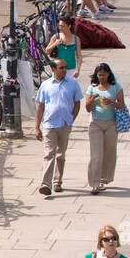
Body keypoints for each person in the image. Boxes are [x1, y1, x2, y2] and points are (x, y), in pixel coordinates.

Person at [36, 58, 83, 196]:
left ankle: (57, 181)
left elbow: (77, 104)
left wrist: (71, 120)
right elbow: (40, 106)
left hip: (64, 124)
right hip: (49, 124)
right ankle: (45, 184)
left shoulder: (73, 84)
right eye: (61, 67)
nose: (64, 70)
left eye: (65, 67)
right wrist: (37, 127)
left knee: (61, 154)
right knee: (49, 153)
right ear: (53, 69)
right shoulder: (45, 85)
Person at [84, 62, 124, 194]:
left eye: (104, 74)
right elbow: (87, 108)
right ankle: (94, 183)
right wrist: (92, 100)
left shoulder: (115, 87)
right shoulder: (91, 88)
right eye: (99, 75)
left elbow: (121, 105)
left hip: (111, 123)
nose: (101, 77)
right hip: (95, 123)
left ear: (108, 74)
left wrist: (111, 103)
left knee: (109, 153)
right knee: (96, 154)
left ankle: (104, 179)